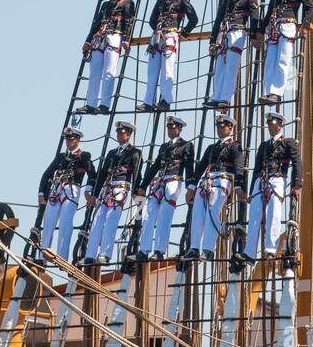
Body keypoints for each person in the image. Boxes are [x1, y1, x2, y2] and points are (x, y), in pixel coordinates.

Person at [243, 112, 303, 263]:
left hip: (277, 180)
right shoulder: (263, 145)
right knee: (254, 217)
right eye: (269, 125)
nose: (270, 127)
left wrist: (297, 185)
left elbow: (297, 163)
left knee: (273, 215)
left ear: (280, 125)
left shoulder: (288, 143)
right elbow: (256, 169)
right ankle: (249, 252)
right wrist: (251, 192)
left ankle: (270, 249)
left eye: (273, 125)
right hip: (261, 181)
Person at [185, 113, 246, 260]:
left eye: (222, 126)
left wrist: (238, 188)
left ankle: (207, 248)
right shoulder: (211, 148)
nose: (219, 128)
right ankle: (194, 247)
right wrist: (191, 187)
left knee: (213, 210)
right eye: (218, 126)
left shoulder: (235, 147)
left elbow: (239, 168)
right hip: (206, 181)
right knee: (198, 213)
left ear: (230, 128)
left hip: (223, 180)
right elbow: (200, 168)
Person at [135, 115, 194, 261]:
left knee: (165, 215)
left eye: (172, 127)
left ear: (179, 128)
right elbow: (155, 166)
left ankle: (159, 250)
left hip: (174, 180)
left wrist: (190, 187)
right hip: (159, 181)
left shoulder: (186, 145)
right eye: (168, 127)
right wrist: (143, 185)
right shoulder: (164, 147)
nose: (170, 129)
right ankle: (144, 249)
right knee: (149, 214)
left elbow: (188, 166)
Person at [84, 119, 141, 265]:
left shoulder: (135, 153)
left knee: (111, 220)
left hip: (121, 187)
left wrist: (136, 191)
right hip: (107, 189)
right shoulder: (111, 153)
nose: (119, 134)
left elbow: (136, 173)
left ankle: (105, 254)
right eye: (118, 132)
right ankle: (90, 254)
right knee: (97, 220)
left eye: (122, 132)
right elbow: (102, 174)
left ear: (128, 134)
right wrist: (94, 195)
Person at [257, 0, 313, 105]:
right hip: (274, 27)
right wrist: (259, 30)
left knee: (283, 60)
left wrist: (305, 25)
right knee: (270, 61)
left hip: (288, 27)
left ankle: (276, 93)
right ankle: (267, 92)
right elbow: (270, 11)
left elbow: (310, 7)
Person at [140, 0, 198, 111]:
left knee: (167, 70)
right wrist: (157, 30)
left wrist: (183, 32)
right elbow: (152, 20)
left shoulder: (182, 0)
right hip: (157, 37)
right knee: (152, 71)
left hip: (171, 36)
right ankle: (148, 101)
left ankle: (165, 100)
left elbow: (193, 19)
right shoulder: (161, 0)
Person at [37, 125, 96, 262]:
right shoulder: (61, 157)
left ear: (77, 140)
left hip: (71, 191)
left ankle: (62, 257)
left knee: (65, 223)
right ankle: (43, 256)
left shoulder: (84, 156)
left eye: (71, 139)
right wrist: (41, 193)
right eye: (67, 139)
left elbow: (92, 174)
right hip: (56, 191)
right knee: (48, 223)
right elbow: (47, 174)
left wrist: (88, 191)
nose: (68, 142)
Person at [207, 0, 261, 108]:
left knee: (231, 66)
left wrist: (254, 36)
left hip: (237, 32)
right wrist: (212, 41)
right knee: (219, 67)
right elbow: (218, 20)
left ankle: (225, 98)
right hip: (223, 34)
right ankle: (216, 97)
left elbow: (254, 17)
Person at [81, 0, 135, 115]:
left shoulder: (127, 3)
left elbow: (128, 22)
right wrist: (88, 41)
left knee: (109, 72)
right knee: (94, 73)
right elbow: (96, 23)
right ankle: (91, 104)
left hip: (114, 37)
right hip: (99, 39)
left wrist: (126, 39)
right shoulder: (106, 4)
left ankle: (104, 104)